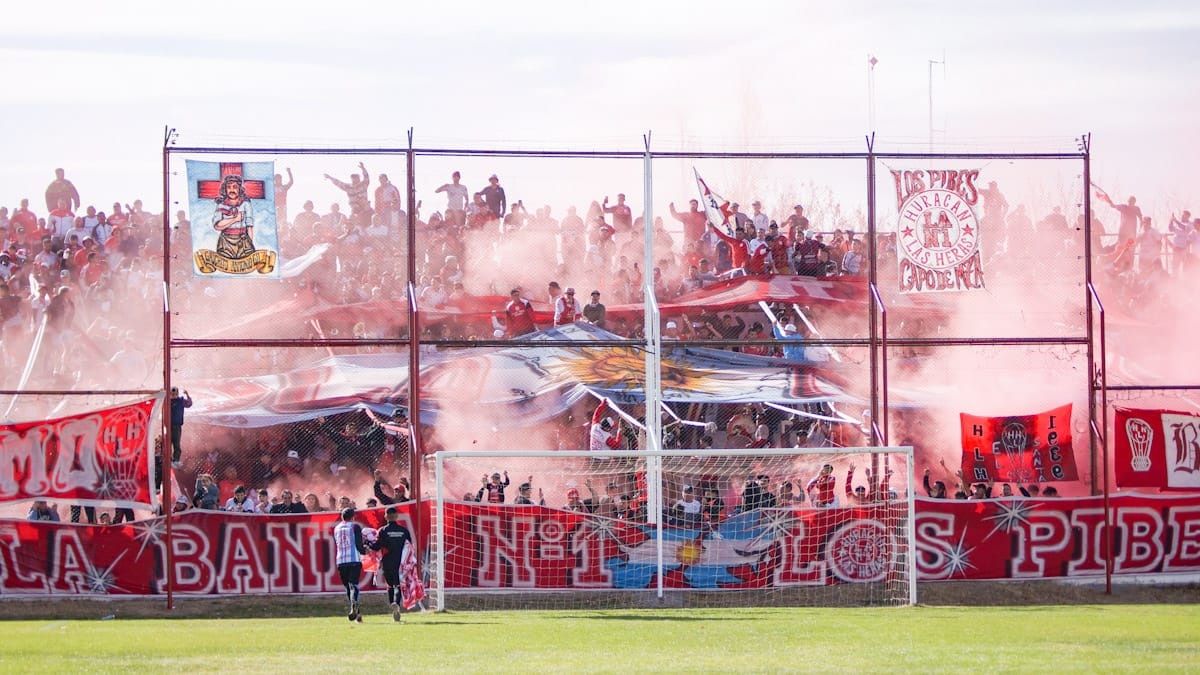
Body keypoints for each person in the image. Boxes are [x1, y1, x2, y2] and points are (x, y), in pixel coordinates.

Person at [370, 506, 414, 622]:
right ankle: (396, 603)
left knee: (390, 585)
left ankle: (392, 604)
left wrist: (367, 544)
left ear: (386, 516)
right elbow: (410, 546)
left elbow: (376, 546)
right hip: (401, 563)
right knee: (398, 584)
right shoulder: (404, 531)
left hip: (388, 562)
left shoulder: (383, 530)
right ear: (396, 516)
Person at [333, 508, 367, 622]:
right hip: (354, 559)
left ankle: (357, 614)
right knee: (354, 585)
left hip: (341, 560)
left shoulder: (336, 528)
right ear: (353, 517)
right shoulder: (354, 526)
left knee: (348, 587)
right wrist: (364, 552)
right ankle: (354, 605)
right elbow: (358, 543)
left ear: (342, 517)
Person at [169, 387, 193, 467]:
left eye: (175, 393)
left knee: (176, 444)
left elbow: (189, 404)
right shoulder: (167, 401)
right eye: (172, 393)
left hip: (176, 426)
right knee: (167, 444)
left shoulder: (180, 401)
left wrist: (187, 395)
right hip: (168, 426)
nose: (174, 395)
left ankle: (176, 460)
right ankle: (168, 460)